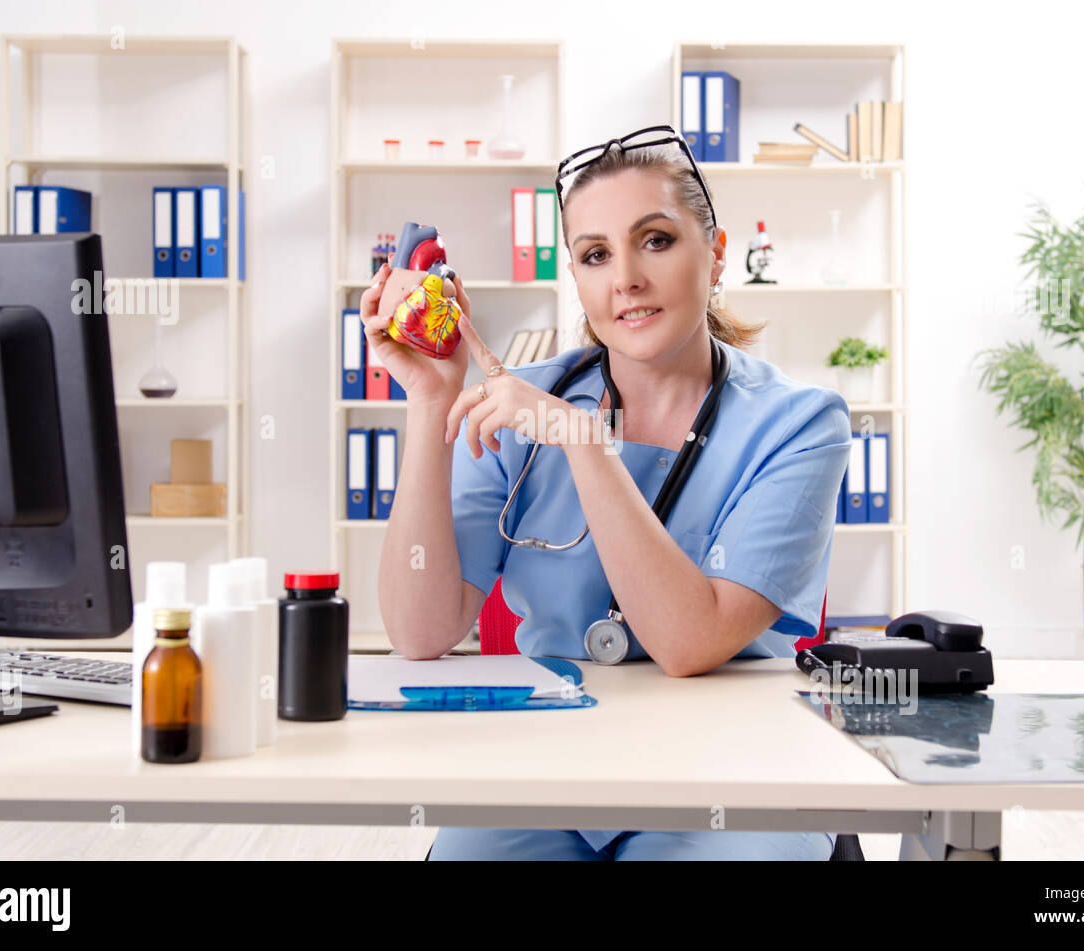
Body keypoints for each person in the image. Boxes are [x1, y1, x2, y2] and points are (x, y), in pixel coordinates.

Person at [360, 126, 851, 861]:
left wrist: (584, 444)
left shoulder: (801, 425)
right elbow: (420, 631)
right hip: (549, 766)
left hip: (737, 770)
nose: (624, 278)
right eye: (595, 254)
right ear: (578, 278)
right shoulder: (521, 401)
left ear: (714, 254)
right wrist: (431, 403)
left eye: (654, 240)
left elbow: (689, 643)